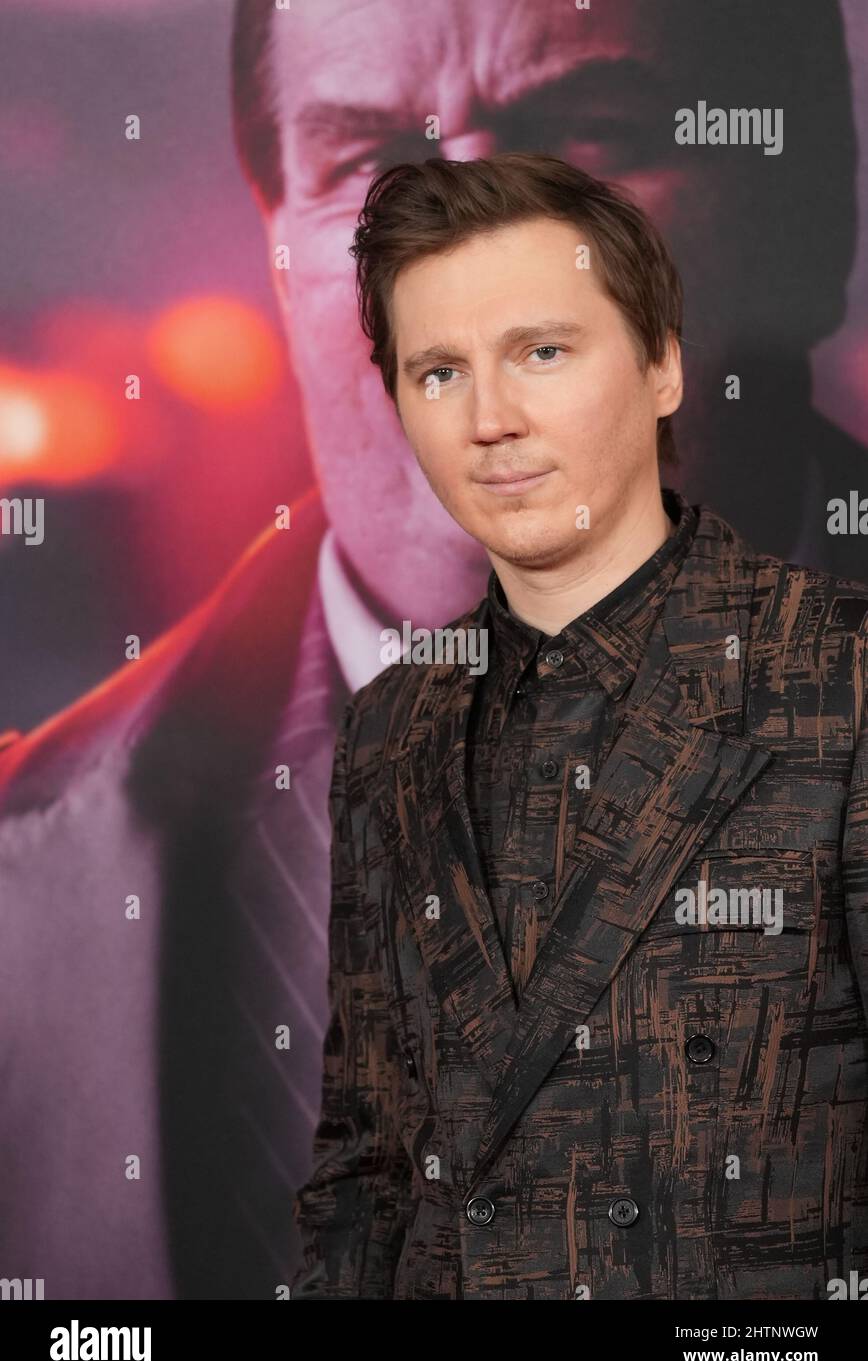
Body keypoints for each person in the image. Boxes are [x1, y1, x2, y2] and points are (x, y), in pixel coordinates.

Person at [290, 153, 868, 1300]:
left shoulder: (837, 674)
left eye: (540, 352)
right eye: (438, 371)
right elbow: (364, 1164)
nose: (491, 420)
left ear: (662, 366)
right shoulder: (389, 732)